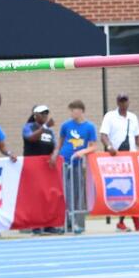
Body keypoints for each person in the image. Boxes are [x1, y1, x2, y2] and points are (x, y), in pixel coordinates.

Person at [100, 93, 139, 232]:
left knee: (132, 190)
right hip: (117, 159)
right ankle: (127, 219)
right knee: (122, 191)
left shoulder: (133, 117)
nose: (123, 104)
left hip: (131, 158)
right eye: (121, 101)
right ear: (117, 102)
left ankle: (132, 216)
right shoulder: (110, 116)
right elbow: (103, 135)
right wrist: (109, 147)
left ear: (128, 102)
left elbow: (137, 139)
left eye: (125, 101)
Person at [59, 100, 97, 234]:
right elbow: (61, 142)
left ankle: (78, 222)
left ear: (80, 110)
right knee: (65, 192)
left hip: (77, 164)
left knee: (77, 193)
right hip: (64, 162)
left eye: (73, 110)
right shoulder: (66, 125)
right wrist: (57, 156)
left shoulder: (89, 127)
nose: (71, 113)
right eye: (70, 110)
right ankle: (66, 222)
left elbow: (93, 146)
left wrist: (83, 152)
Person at [22, 105, 60, 234]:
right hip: (33, 167)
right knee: (35, 196)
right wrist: (45, 127)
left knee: (48, 196)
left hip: (47, 168)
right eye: (42, 114)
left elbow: (55, 145)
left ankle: (48, 224)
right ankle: (35, 225)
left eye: (46, 114)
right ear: (35, 115)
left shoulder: (49, 131)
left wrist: (55, 155)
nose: (45, 116)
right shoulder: (29, 127)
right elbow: (31, 138)